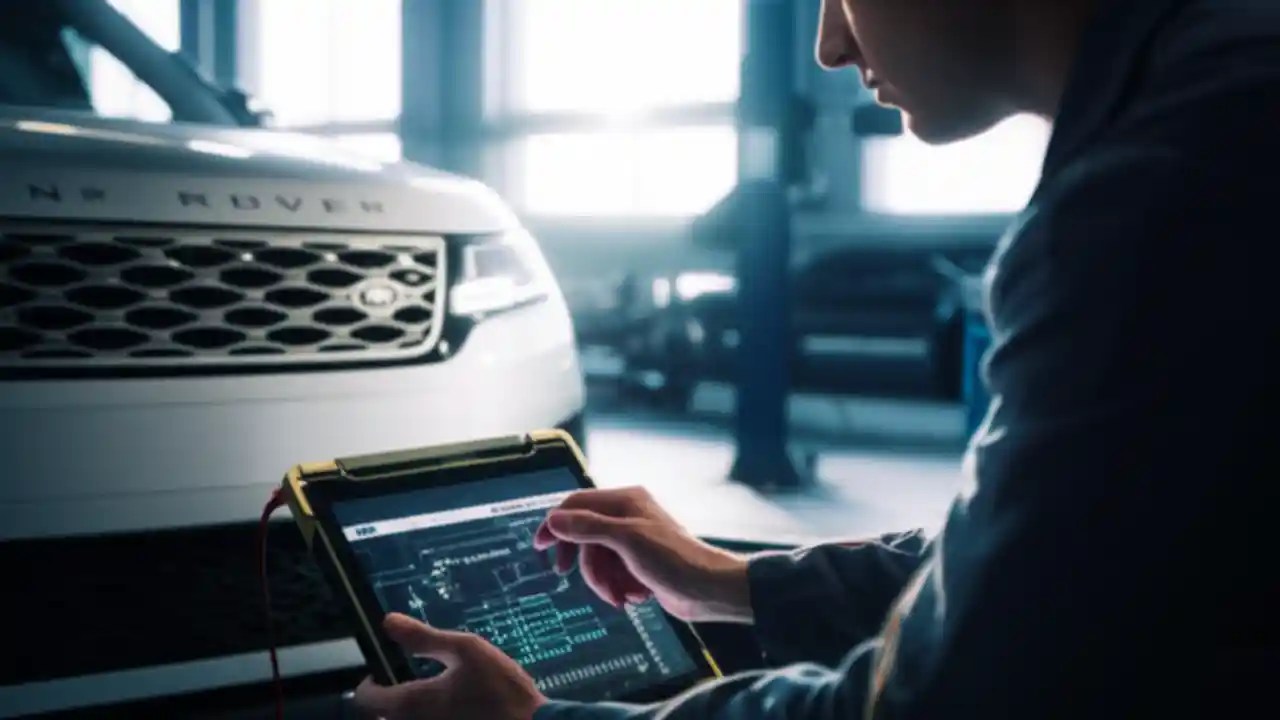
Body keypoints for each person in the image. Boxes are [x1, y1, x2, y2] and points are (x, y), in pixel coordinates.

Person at [355, 0, 1280, 717]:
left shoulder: (1162, 194)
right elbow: (1054, 557)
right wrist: (733, 581)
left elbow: (948, 702)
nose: (829, 46)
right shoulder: (1216, 87)